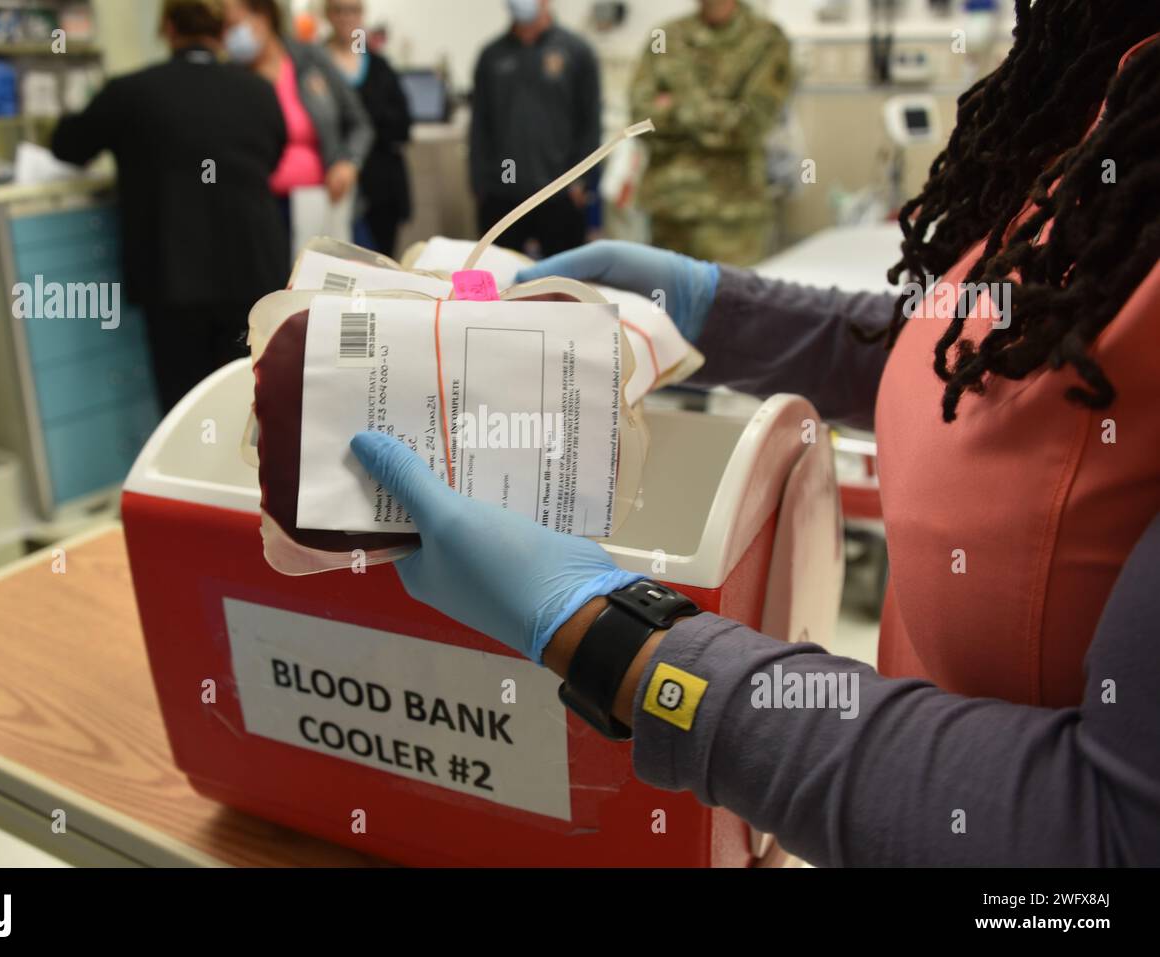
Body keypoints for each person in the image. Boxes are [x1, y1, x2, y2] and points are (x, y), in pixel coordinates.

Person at [348, 0, 1160, 865]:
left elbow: (1111, 842)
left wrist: (618, 640)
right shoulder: (1108, 76)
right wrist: (723, 310)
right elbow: (991, 350)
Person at [51, 0, 288, 413]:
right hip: (251, 269)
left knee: (184, 408)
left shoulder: (130, 92)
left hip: (173, 277)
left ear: (167, 28)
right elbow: (272, 156)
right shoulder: (258, 91)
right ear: (221, 32)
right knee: (248, 402)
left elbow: (68, 145)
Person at [631, 0, 792, 265]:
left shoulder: (766, 39)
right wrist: (720, 111)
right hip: (669, 213)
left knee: (730, 304)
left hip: (732, 219)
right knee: (664, 305)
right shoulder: (666, 36)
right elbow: (640, 119)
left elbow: (751, 123)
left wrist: (673, 107)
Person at [222, 0, 373, 249]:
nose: (230, 36)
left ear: (263, 15)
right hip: (263, 213)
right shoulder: (231, 76)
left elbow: (360, 122)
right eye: (225, 29)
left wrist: (349, 162)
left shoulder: (310, 58)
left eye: (234, 25)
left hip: (326, 206)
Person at [469, 0, 600, 257]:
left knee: (562, 284)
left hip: (560, 194)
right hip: (502, 195)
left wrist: (581, 182)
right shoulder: (491, 55)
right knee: (501, 283)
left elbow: (590, 123)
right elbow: (479, 125)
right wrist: (479, 184)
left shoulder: (576, 51)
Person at [324, 0, 413, 258]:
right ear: (328, 15)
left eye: (352, 10)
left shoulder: (380, 68)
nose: (345, 18)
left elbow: (403, 126)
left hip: (380, 189)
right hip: (333, 185)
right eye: (338, 10)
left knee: (380, 265)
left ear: (361, 14)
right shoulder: (316, 65)